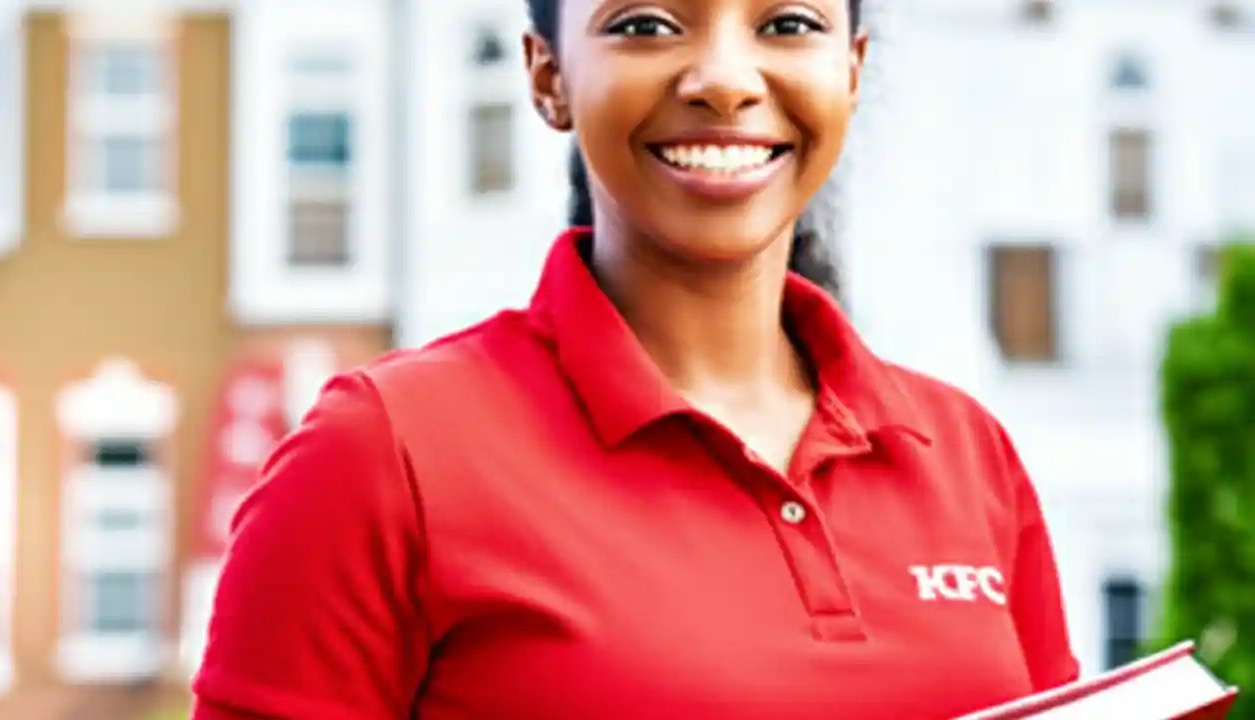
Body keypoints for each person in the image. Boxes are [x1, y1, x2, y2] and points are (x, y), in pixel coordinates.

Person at [190, 0, 1080, 717]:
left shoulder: (966, 455)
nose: (725, 81)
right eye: (646, 24)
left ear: (850, 70)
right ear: (548, 76)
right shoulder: (382, 454)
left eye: (788, 23)